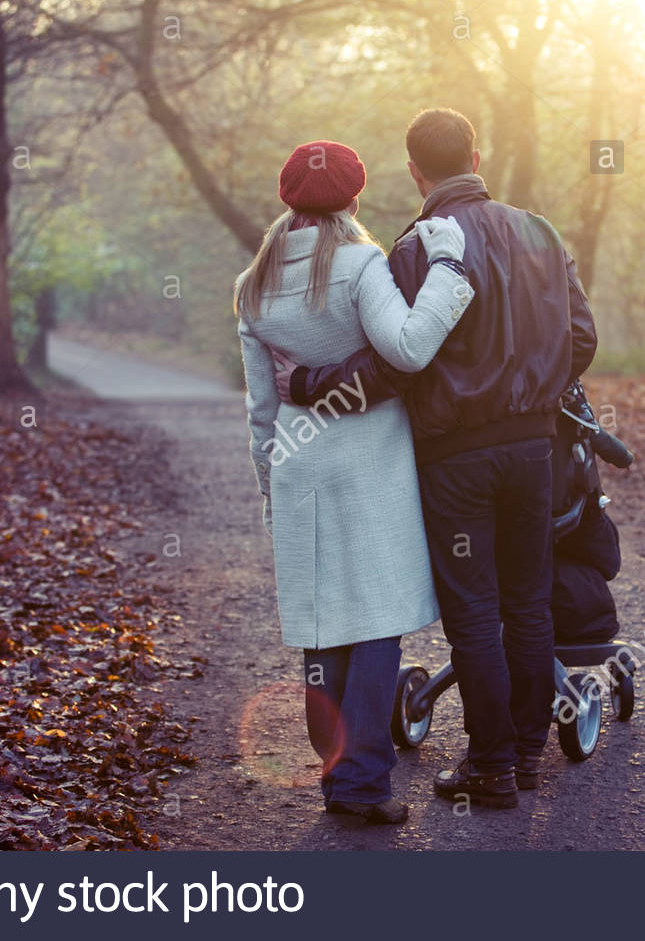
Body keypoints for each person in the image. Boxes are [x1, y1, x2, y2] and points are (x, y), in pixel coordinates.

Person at [277, 109, 597, 809]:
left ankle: (490, 765)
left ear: (414, 171)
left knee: (476, 614)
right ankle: (525, 756)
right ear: (477, 156)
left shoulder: (416, 247)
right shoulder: (538, 231)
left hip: (456, 458)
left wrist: (306, 385)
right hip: (532, 449)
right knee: (530, 602)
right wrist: (535, 396)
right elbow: (581, 336)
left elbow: (397, 365)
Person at [235, 140, 473, 825]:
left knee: (322, 621)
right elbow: (407, 347)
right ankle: (364, 783)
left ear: (288, 201)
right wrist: (449, 266)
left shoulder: (254, 285)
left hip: (298, 461)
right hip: (369, 463)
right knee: (374, 620)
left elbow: (261, 408)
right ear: (354, 200)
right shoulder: (360, 263)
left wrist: (268, 485)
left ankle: (339, 773)